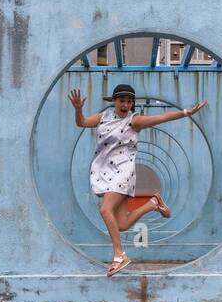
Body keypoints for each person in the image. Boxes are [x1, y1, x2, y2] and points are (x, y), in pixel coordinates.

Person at [69, 82, 207, 277]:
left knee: (105, 209)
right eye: (122, 101)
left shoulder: (135, 121)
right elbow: (81, 123)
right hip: (104, 170)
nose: (126, 105)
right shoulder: (103, 117)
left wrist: (185, 112)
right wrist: (78, 110)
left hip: (123, 170)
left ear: (132, 103)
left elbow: (161, 117)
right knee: (122, 225)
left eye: (129, 101)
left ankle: (119, 255)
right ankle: (152, 203)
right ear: (114, 102)